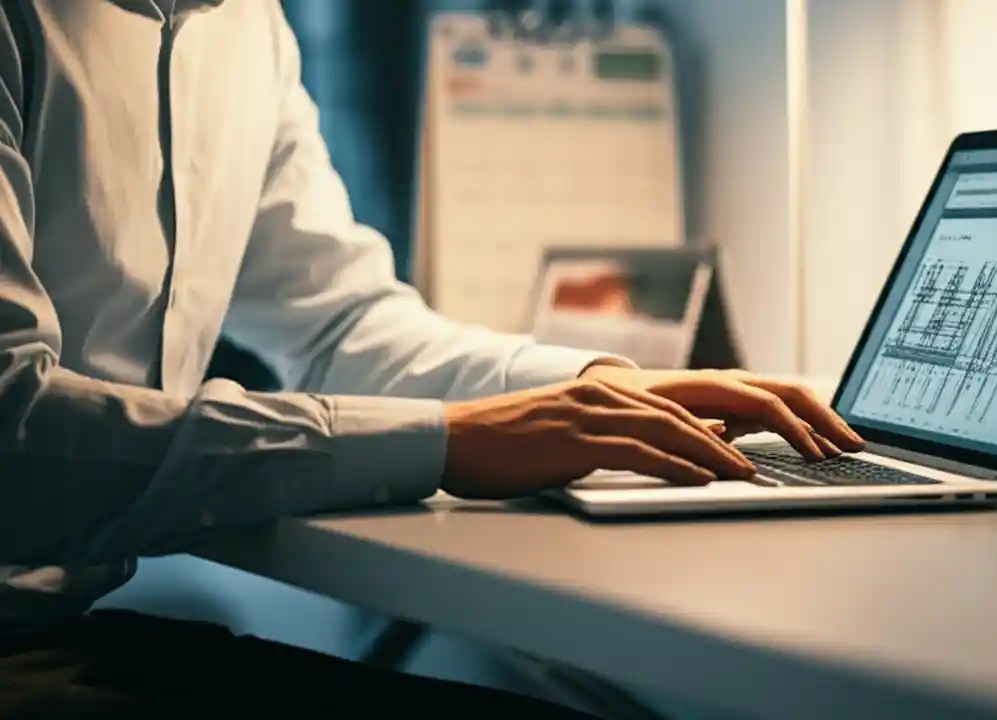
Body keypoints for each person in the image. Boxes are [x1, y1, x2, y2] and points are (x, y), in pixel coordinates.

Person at [0, 1, 863, 717]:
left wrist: (594, 387)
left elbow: (340, 324)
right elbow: (14, 437)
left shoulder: (246, 28)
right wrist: (447, 439)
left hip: (66, 626)